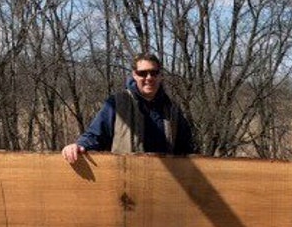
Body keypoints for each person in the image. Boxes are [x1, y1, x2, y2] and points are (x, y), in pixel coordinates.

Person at [62, 52, 194, 163]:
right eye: (143, 73)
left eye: (154, 73)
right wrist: (79, 146)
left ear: (160, 76)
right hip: (125, 181)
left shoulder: (172, 109)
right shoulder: (117, 104)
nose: (149, 78)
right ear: (134, 75)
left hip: (163, 184)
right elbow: (96, 135)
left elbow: (186, 150)